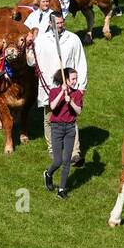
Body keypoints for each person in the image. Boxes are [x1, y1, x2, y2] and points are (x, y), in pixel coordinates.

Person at [33, 12, 88, 167]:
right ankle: (53, 149)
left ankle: (75, 153)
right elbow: (32, 62)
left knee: (71, 118)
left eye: (62, 22)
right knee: (50, 118)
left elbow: (81, 62)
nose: (60, 25)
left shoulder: (73, 39)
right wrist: (30, 48)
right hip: (49, 87)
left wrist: (81, 86)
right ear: (50, 24)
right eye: (57, 23)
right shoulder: (41, 41)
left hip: (69, 86)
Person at [43, 67, 83, 200]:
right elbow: (53, 107)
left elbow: (78, 111)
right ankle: (48, 174)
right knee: (58, 160)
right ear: (65, 80)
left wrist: (70, 101)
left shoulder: (77, 94)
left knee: (66, 161)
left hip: (70, 128)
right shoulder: (54, 91)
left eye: (76, 79)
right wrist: (62, 93)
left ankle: (61, 189)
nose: (75, 81)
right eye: (72, 79)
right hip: (57, 128)